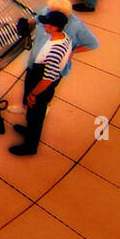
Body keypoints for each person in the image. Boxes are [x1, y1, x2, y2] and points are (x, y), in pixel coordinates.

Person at [9, 11, 73, 156]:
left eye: (47, 23)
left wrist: (33, 94)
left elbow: (48, 79)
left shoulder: (53, 51)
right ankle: (29, 131)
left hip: (41, 85)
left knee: (36, 116)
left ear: (55, 27)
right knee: (33, 114)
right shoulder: (65, 38)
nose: (44, 25)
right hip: (40, 78)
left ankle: (30, 146)